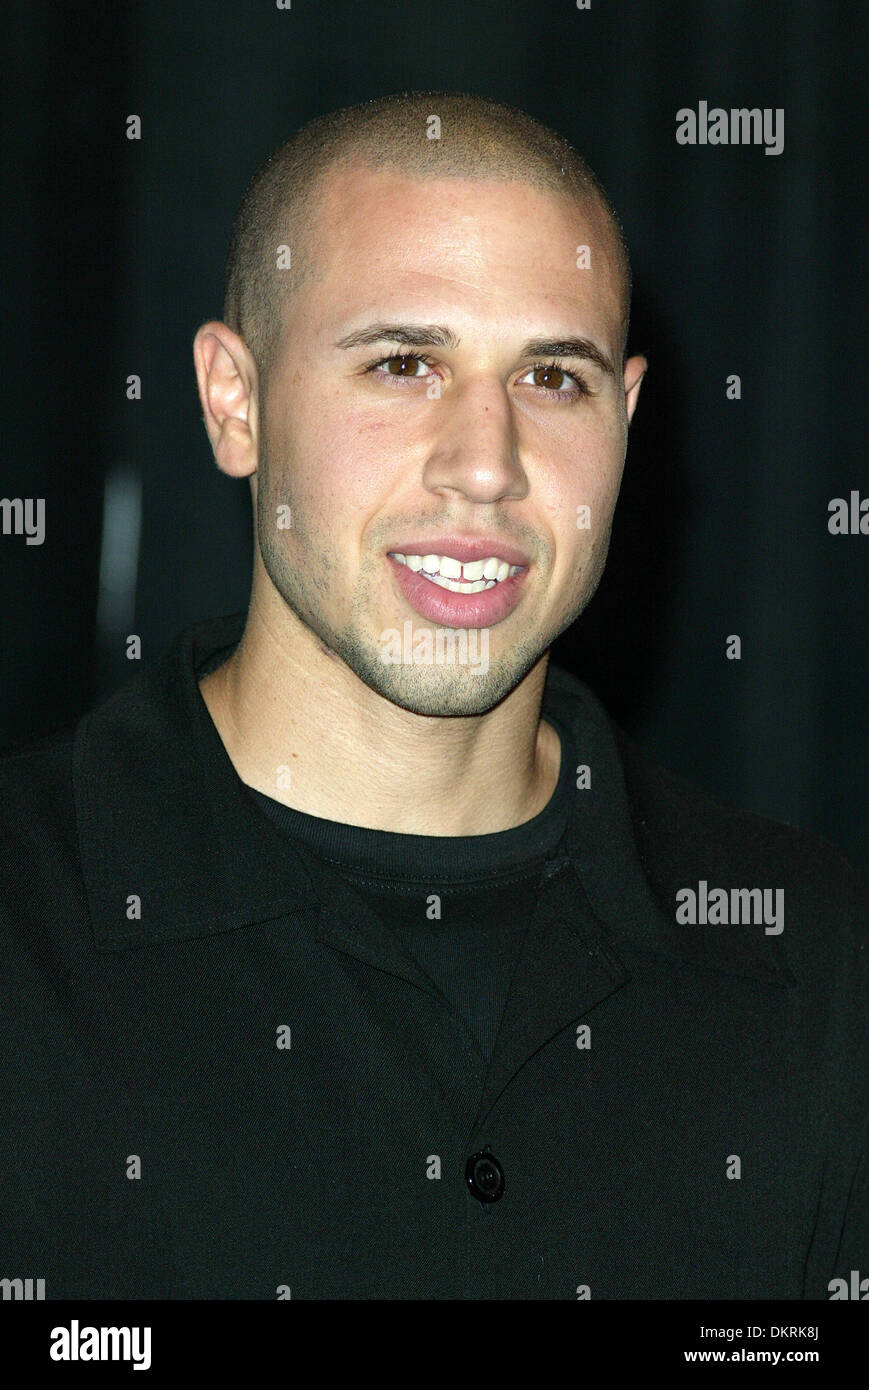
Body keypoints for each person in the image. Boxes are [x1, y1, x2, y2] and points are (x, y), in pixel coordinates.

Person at [1, 92, 866, 1301]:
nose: (485, 462)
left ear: (624, 418)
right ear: (231, 401)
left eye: (552, 379)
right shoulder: (29, 920)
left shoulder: (813, 960)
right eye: (405, 363)